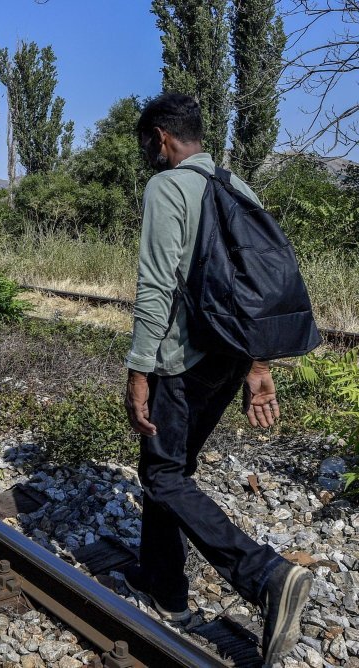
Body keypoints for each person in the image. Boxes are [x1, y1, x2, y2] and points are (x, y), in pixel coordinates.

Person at [123, 93, 313, 666]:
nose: (149, 153)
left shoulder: (167, 188)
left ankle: (266, 575)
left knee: (162, 475)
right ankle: (164, 588)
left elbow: (156, 285)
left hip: (180, 360)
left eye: (147, 144)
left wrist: (139, 370)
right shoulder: (236, 186)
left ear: (161, 138)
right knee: (171, 469)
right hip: (228, 359)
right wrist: (257, 366)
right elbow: (258, 287)